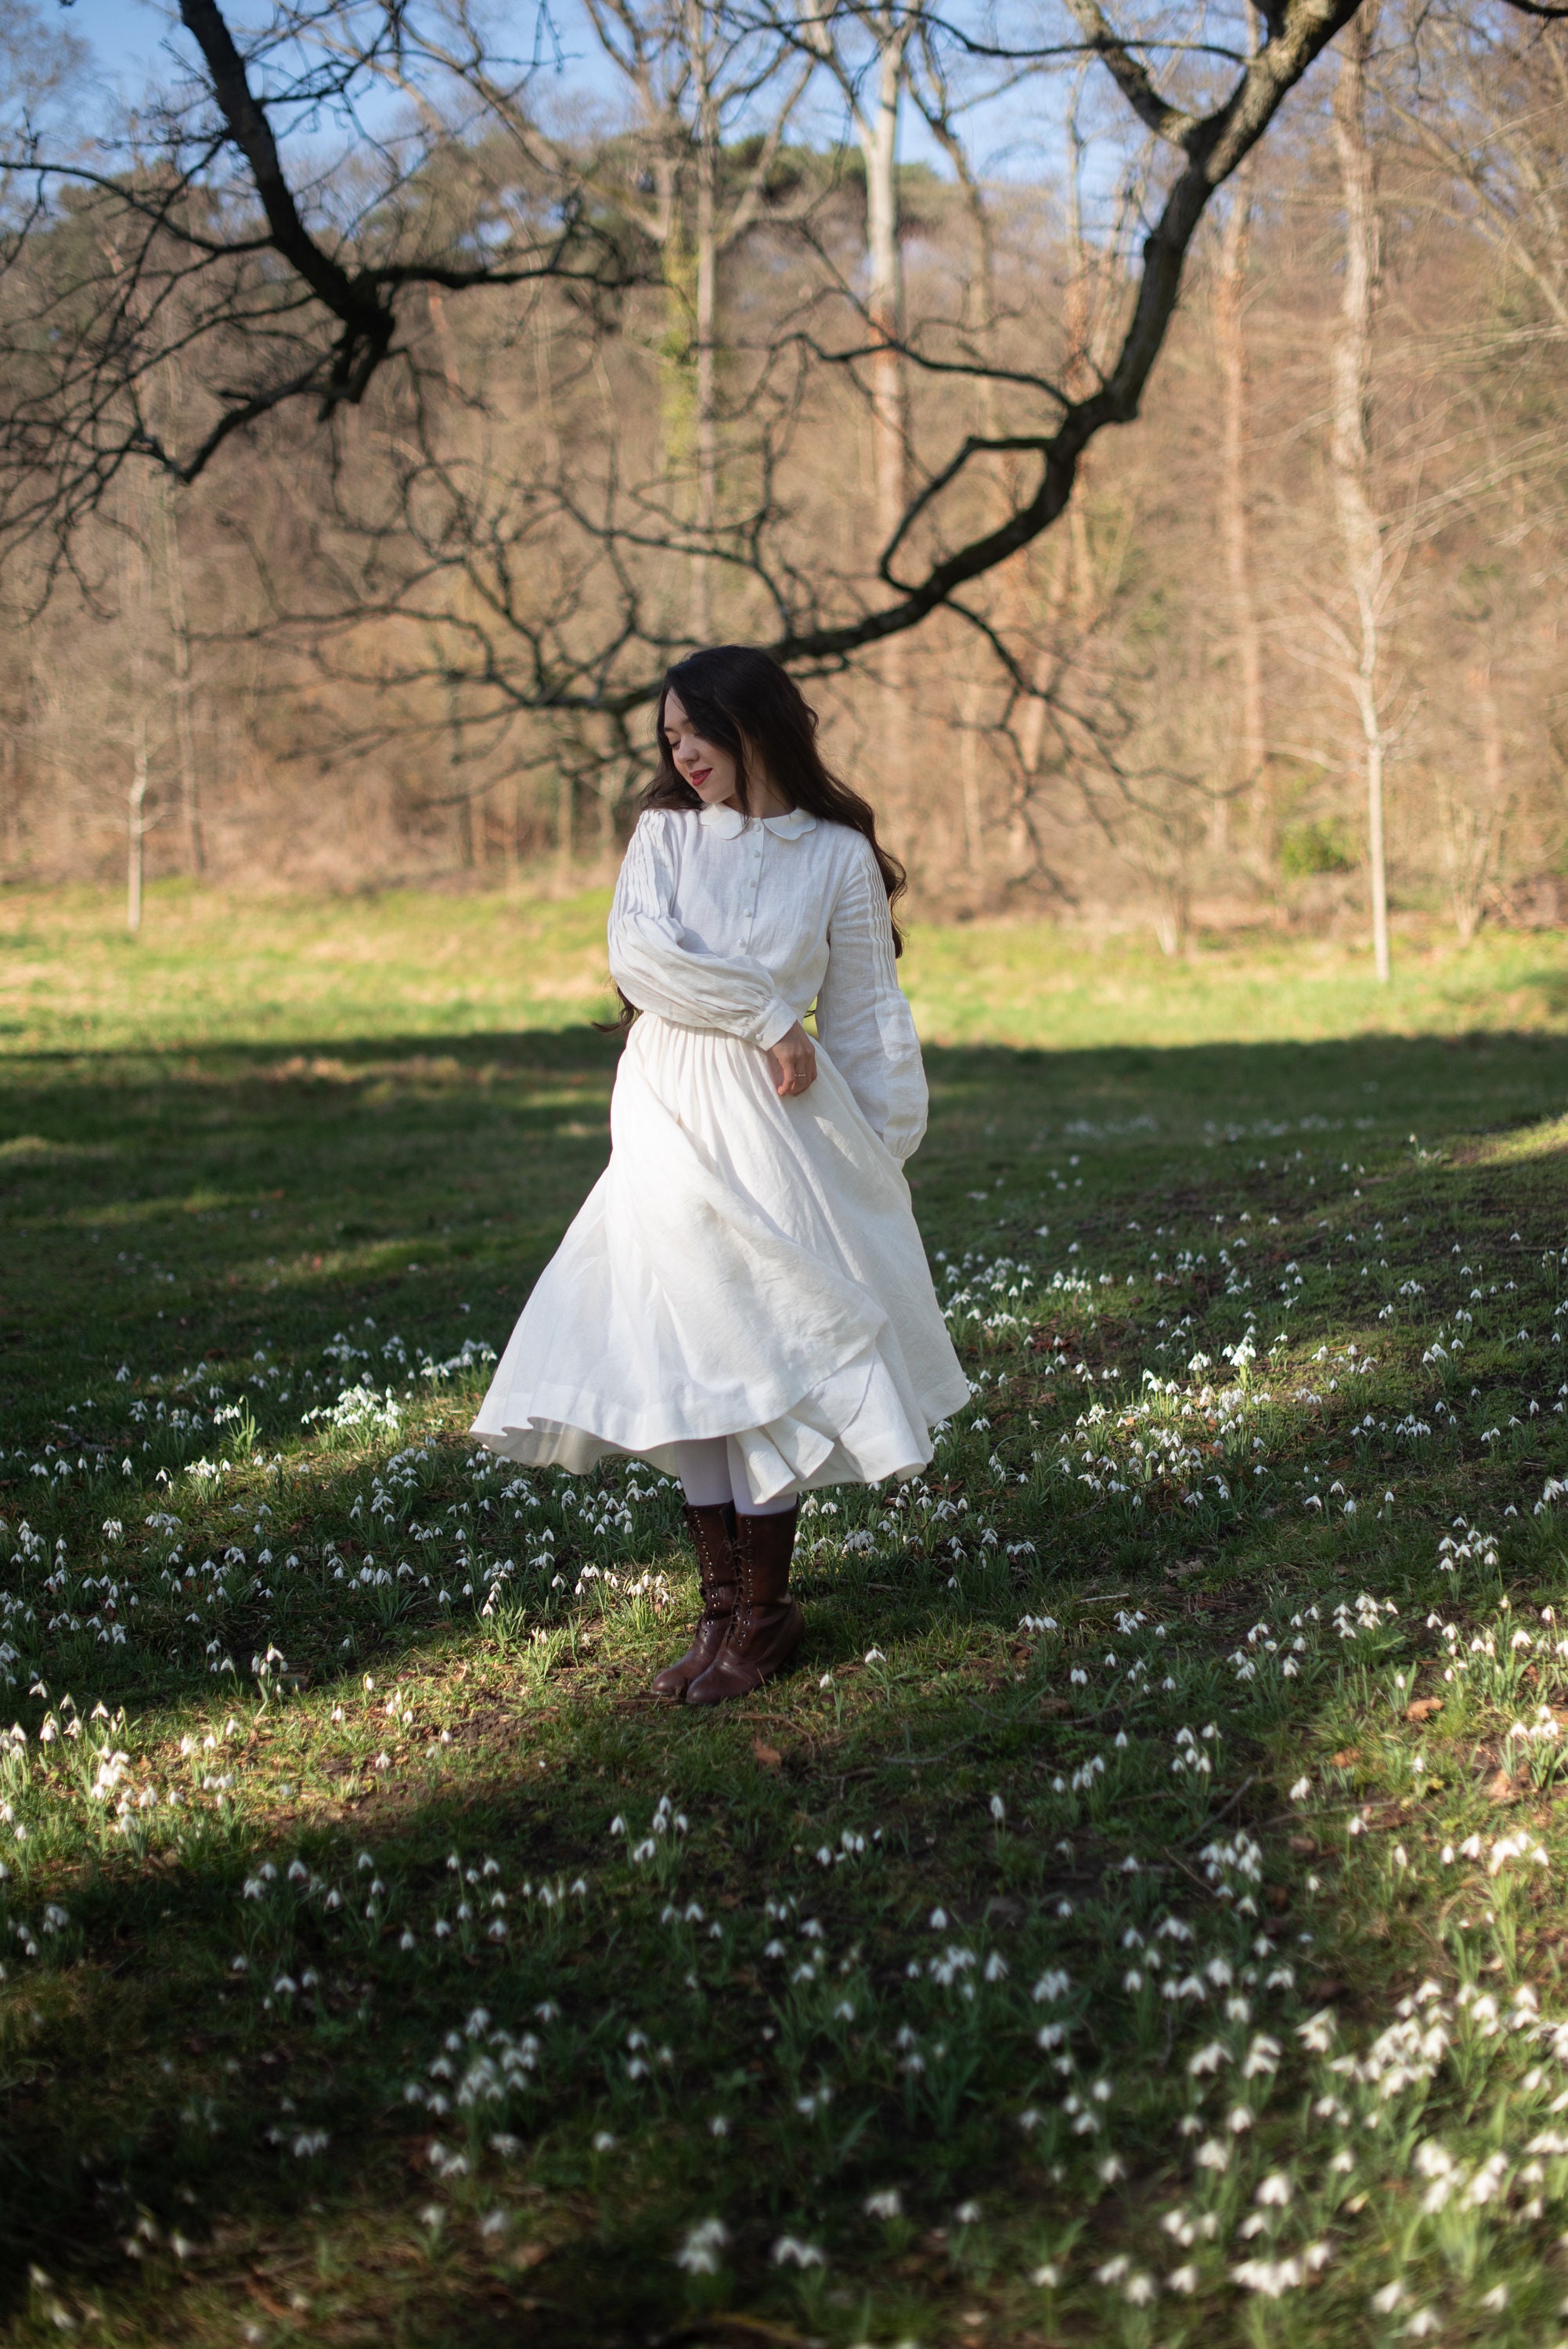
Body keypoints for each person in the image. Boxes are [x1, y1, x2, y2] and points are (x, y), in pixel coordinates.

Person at [472, 644, 969, 1703]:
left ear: (756, 724)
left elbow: (871, 1011)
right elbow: (637, 958)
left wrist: (878, 1148)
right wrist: (765, 1017)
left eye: (699, 731)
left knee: (767, 1337)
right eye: (670, 740)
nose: (684, 754)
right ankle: (722, 1611)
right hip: (666, 1106)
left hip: (782, 1126)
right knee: (686, 1339)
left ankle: (762, 1612)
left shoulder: (834, 855)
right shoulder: (662, 836)